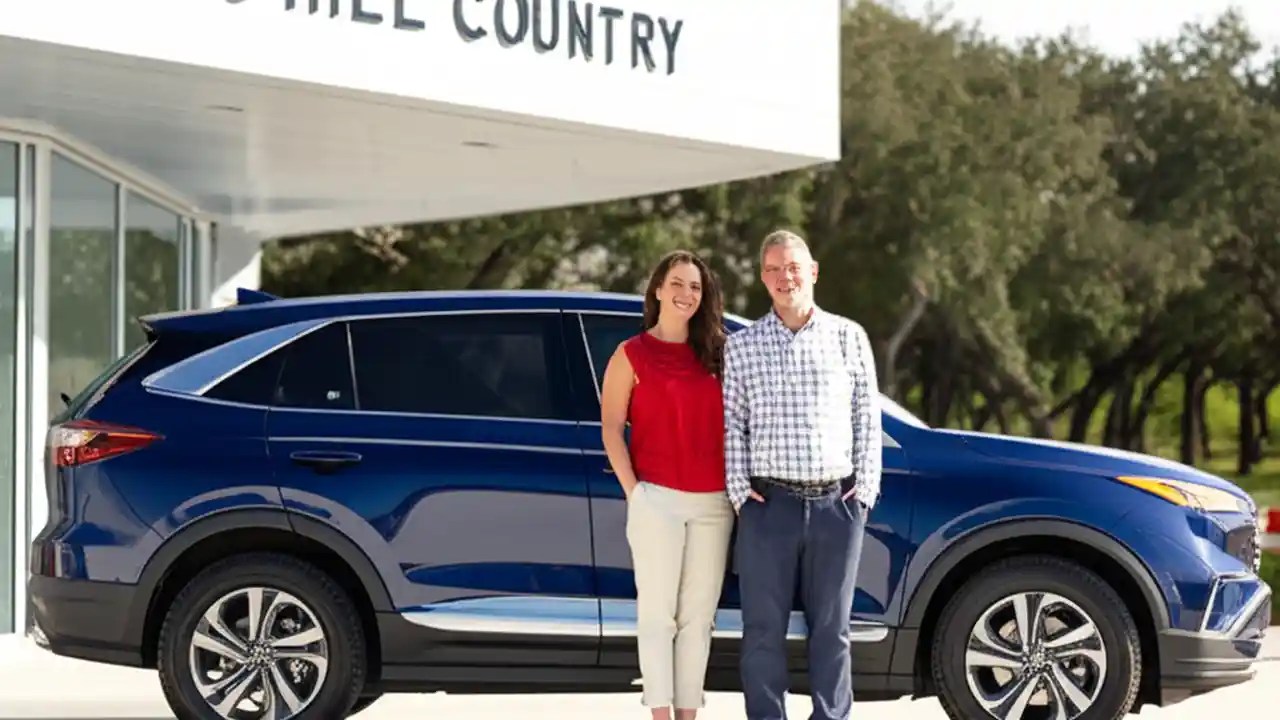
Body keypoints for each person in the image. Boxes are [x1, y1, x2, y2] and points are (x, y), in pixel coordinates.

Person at [722, 230, 882, 720]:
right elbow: (732, 422)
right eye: (773, 269)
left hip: (837, 505)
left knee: (832, 630)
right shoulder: (742, 346)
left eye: (792, 267)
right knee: (763, 629)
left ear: (812, 271)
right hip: (769, 507)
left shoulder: (848, 336)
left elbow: (866, 416)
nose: (783, 277)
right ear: (762, 278)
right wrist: (738, 490)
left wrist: (865, 490)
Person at [600, 249, 736, 720]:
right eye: (677, 283)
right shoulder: (631, 354)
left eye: (695, 287)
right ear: (657, 289)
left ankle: (688, 715)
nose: (686, 294)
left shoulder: (719, 354)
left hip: (714, 505)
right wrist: (635, 493)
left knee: (698, 620)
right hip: (656, 501)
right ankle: (660, 715)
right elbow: (611, 429)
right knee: (657, 616)